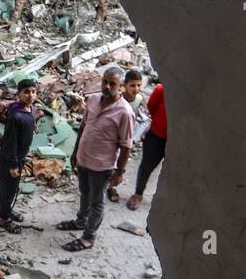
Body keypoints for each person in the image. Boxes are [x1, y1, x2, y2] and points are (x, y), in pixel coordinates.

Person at [59, 66, 133, 252]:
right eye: (105, 82)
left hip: (102, 165)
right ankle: (80, 221)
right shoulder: (92, 100)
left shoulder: (125, 112)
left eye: (112, 84)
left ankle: (88, 237)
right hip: (84, 159)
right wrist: (75, 153)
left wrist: (120, 172)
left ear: (121, 86)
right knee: (84, 192)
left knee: (97, 202)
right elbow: (83, 127)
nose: (107, 86)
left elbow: (126, 146)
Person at [0, 79, 37, 233]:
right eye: (26, 92)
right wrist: (13, 165)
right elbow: (12, 140)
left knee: (11, 188)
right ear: (18, 93)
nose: (30, 95)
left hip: (18, 156)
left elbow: (11, 134)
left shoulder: (25, 109)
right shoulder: (16, 115)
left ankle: (6, 210)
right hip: (11, 158)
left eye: (33, 92)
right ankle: (2, 219)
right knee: (8, 189)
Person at [108, 68, 148, 202]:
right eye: (132, 85)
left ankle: (112, 185)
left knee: (121, 162)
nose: (136, 89)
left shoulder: (139, 99)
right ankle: (108, 187)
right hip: (114, 135)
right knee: (110, 161)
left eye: (138, 85)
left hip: (127, 135)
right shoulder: (117, 99)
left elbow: (142, 116)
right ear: (124, 85)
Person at [127, 82, 166, 210]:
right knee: (146, 166)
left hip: (178, 140)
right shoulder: (161, 90)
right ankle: (138, 194)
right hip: (156, 135)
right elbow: (151, 108)